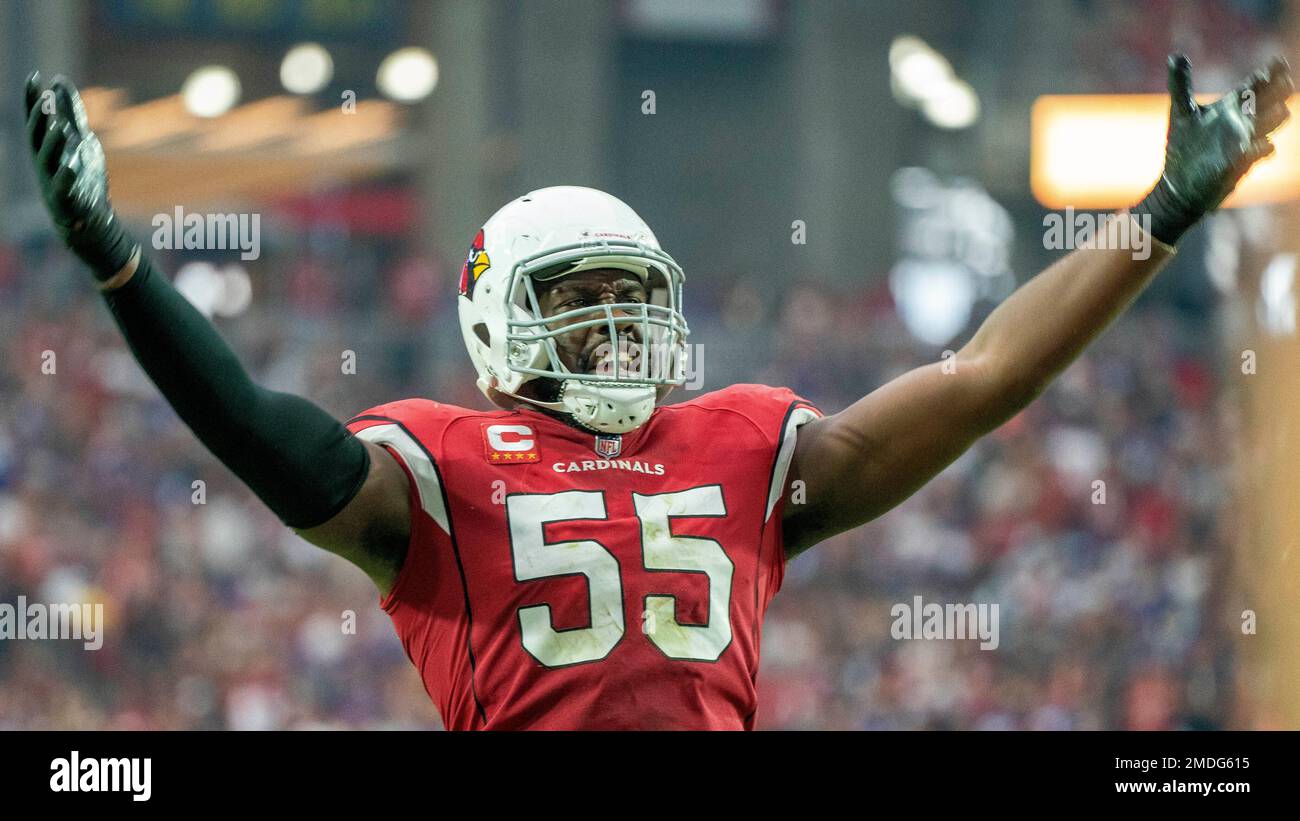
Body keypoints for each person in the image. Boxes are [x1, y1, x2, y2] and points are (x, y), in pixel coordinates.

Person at [21, 54, 1292, 729]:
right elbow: (259, 433)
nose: (622, 326)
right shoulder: (441, 460)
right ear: (497, 317)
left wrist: (1163, 209)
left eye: (632, 296)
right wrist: (122, 265)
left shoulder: (739, 443)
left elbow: (983, 373)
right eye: (582, 300)